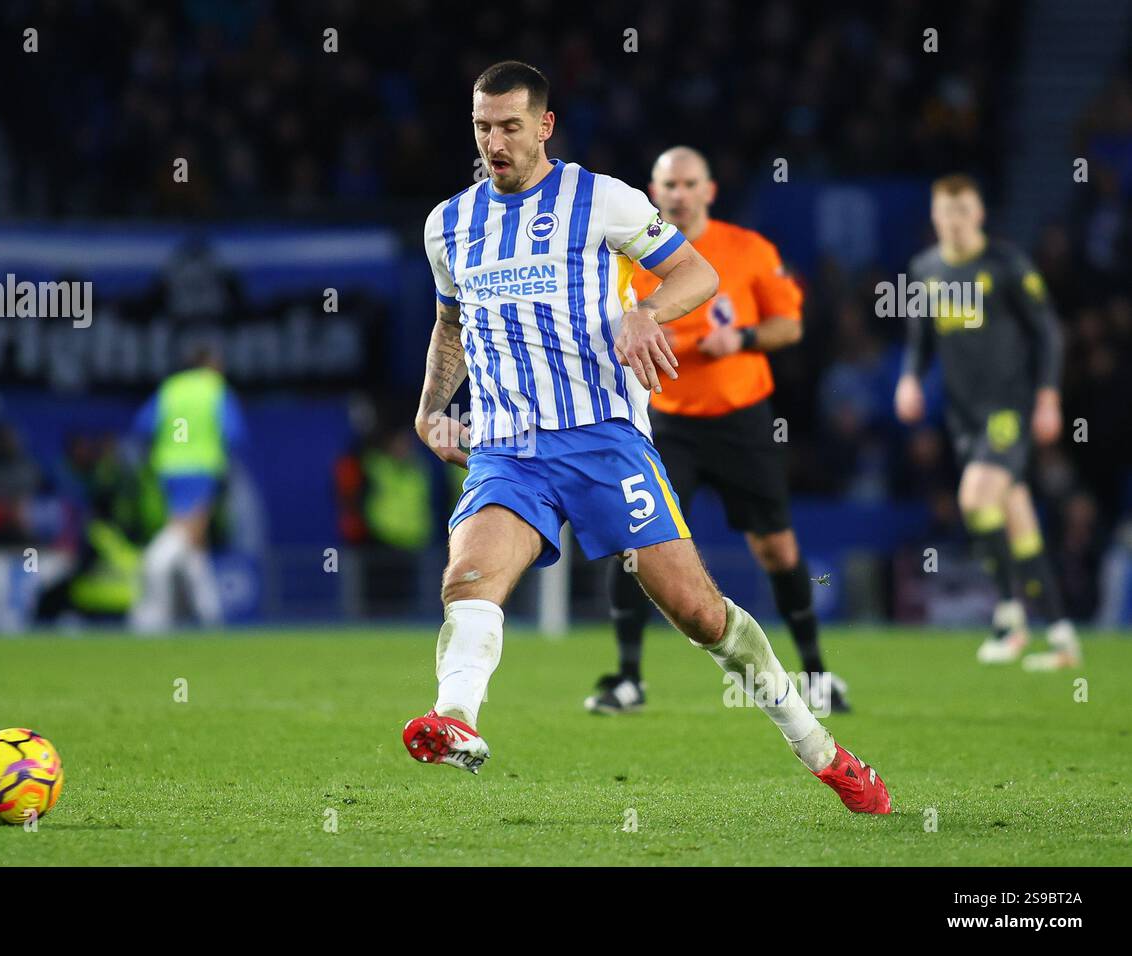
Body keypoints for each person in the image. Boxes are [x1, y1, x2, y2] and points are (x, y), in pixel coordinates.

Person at [401, 61, 890, 814]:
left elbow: (697, 276)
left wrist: (646, 313)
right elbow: (451, 324)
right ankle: (455, 721)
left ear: (544, 125)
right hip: (509, 447)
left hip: (603, 438)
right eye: (481, 126)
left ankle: (821, 751)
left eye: (508, 126)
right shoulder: (448, 223)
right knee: (468, 579)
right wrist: (432, 407)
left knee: (699, 613)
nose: (494, 141)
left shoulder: (602, 200)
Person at [588, 146, 850, 716]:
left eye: (689, 184)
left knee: (775, 545)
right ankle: (627, 678)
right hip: (663, 422)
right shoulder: (625, 257)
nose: (679, 194)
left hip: (741, 421)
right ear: (654, 195)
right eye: (668, 185)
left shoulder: (749, 250)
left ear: (709, 190)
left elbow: (791, 324)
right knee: (637, 545)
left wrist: (745, 340)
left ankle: (817, 673)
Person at [895, 174, 1079, 670]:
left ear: (978, 215)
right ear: (935, 217)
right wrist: (910, 379)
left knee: (974, 498)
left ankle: (1008, 616)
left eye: (963, 211)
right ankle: (1062, 637)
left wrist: (1047, 398)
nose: (953, 222)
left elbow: (1049, 335)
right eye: (945, 213)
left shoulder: (1006, 264)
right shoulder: (923, 270)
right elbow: (920, 340)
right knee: (1019, 524)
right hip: (964, 416)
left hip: (1009, 407)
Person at [128, 347, 245, 632]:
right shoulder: (214, 388)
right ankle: (149, 611)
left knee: (194, 544)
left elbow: (143, 425)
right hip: (201, 468)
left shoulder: (171, 388)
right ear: (209, 364)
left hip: (168, 468)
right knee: (185, 532)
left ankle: (208, 612)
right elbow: (234, 432)